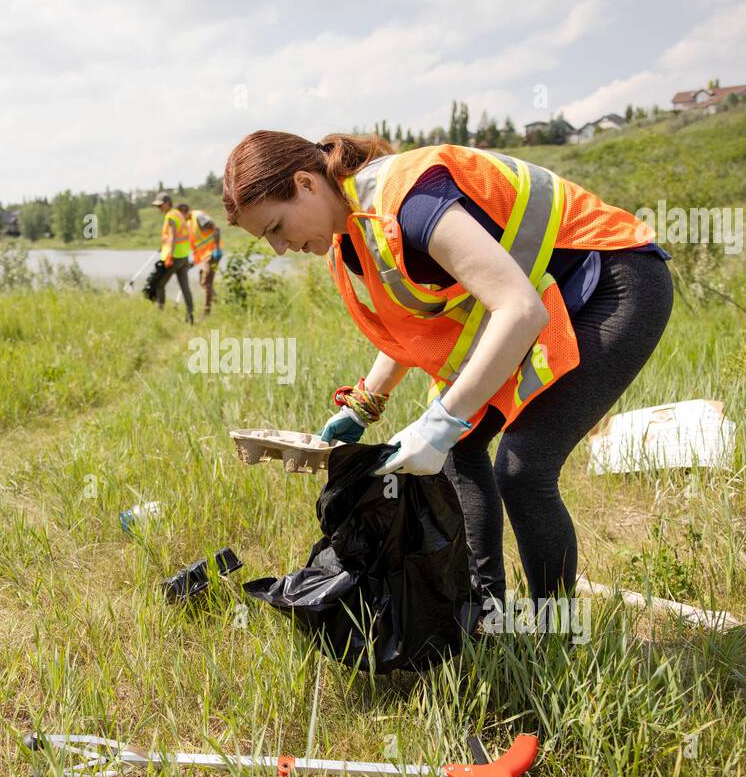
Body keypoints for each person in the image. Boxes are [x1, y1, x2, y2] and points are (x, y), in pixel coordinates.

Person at [222, 131, 673, 618]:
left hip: (613, 279)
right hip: (551, 297)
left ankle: (556, 634)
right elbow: (412, 329)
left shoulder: (411, 203)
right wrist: (363, 405)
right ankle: (485, 611)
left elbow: (518, 309)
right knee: (459, 449)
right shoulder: (351, 233)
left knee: (523, 471)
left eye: (275, 227)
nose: (279, 249)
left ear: (305, 183)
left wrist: (442, 420)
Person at [152, 192, 195, 322]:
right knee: (185, 287)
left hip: (174, 257)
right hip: (183, 256)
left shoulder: (170, 216)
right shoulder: (179, 214)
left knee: (160, 284)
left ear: (167, 203)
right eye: (157, 206)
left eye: (160, 205)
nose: (158, 208)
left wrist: (169, 255)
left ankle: (160, 315)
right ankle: (190, 316)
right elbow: (183, 235)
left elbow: (173, 236)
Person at [179, 203, 223, 317]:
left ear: (185, 211)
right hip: (203, 257)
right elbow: (196, 245)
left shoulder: (198, 216)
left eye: (180, 215)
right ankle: (219, 304)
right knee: (203, 282)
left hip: (212, 253)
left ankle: (207, 312)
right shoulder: (188, 223)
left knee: (206, 282)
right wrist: (192, 261)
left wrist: (217, 249)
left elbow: (216, 229)